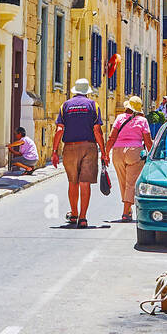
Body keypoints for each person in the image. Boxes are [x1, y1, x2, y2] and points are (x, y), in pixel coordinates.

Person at [50, 78, 108, 228]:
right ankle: (83, 218)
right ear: (87, 92)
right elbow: (97, 131)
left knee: (73, 182)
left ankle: (74, 213)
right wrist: (104, 152)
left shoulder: (65, 106)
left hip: (69, 147)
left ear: (75, 91)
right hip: (89, 147)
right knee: (85, 183)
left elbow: (59, 130)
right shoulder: (93, 105)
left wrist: (54, 151)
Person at [105, 95, 153, 222]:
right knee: (131, 183)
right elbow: (147, 141)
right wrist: (153, 154)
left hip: (118, 152)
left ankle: (128, 208)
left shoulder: (119, 118)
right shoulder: (142, 121)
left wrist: (105, 153)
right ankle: (126, 212)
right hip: (134, 151)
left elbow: (112, 137)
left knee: (123, 181)